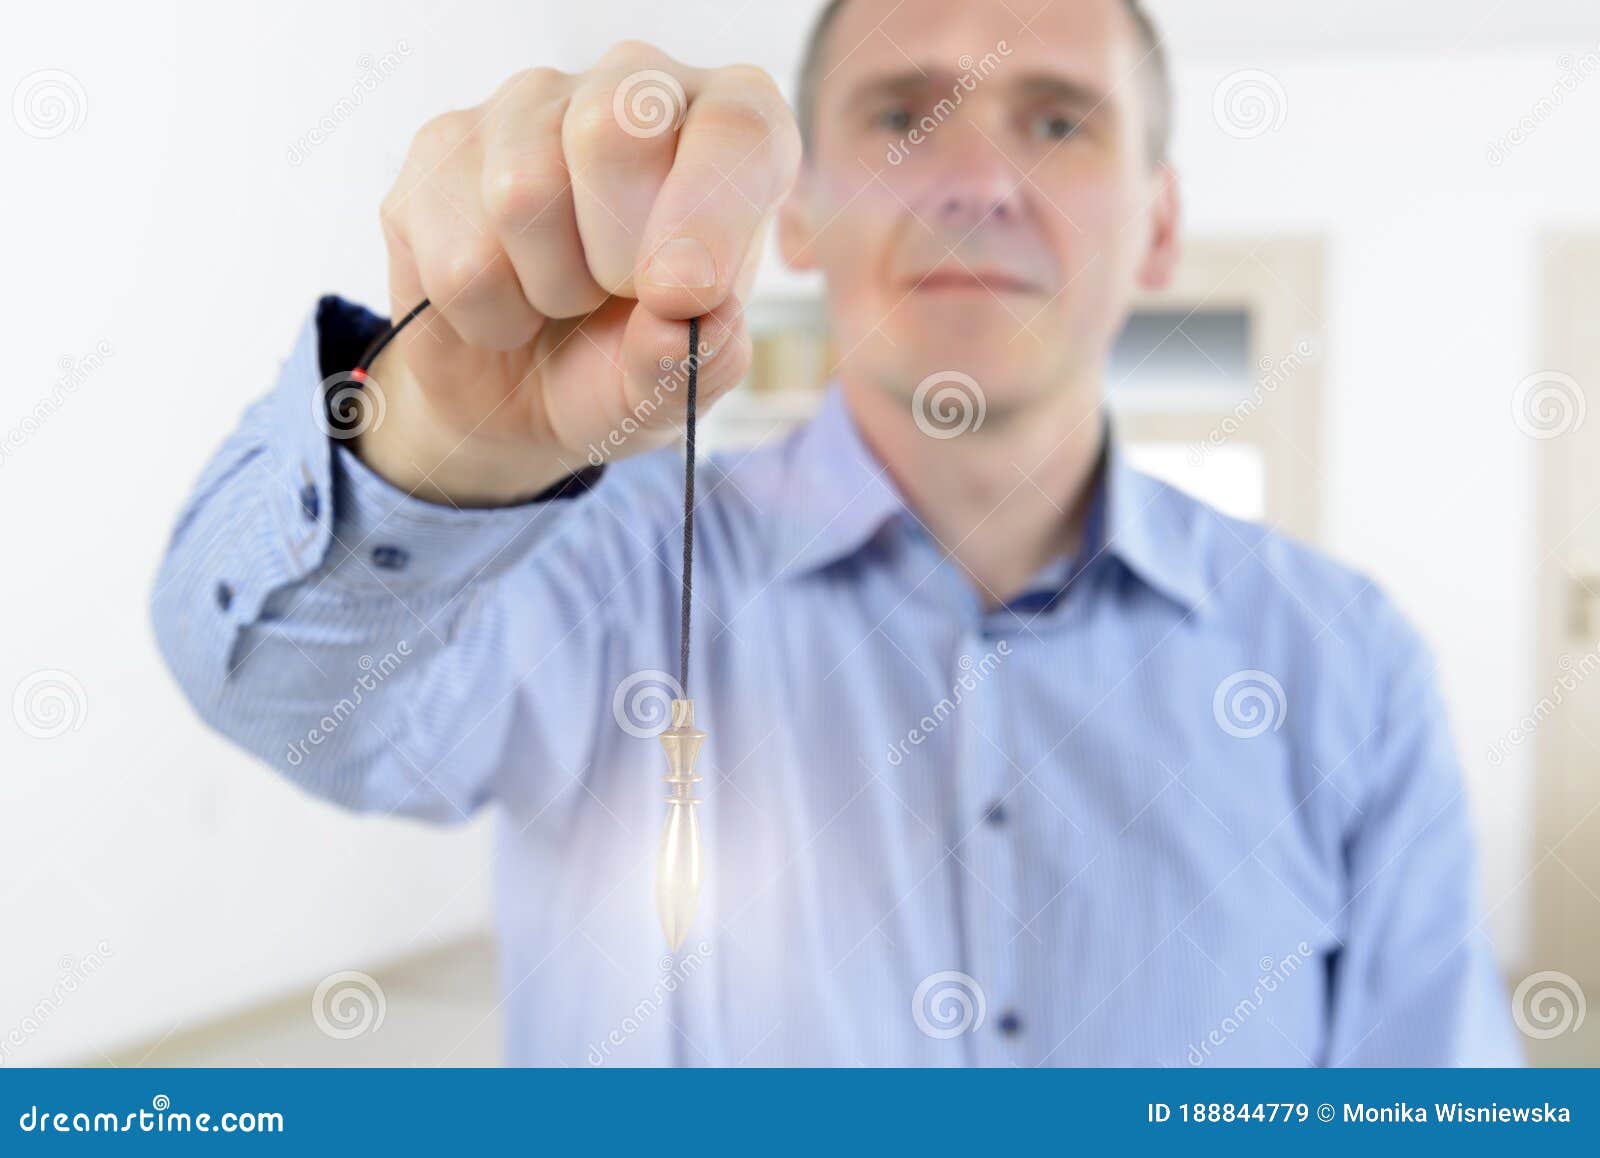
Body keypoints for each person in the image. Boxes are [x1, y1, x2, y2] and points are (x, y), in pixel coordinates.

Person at [151, 0, 1519, 1065]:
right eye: (904, 119)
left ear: (1159, 225)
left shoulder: (1345, 664)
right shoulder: (605, 565)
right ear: (793, 215)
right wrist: (447, 446)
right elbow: (277, 684)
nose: (973, 180)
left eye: (1056, 122)